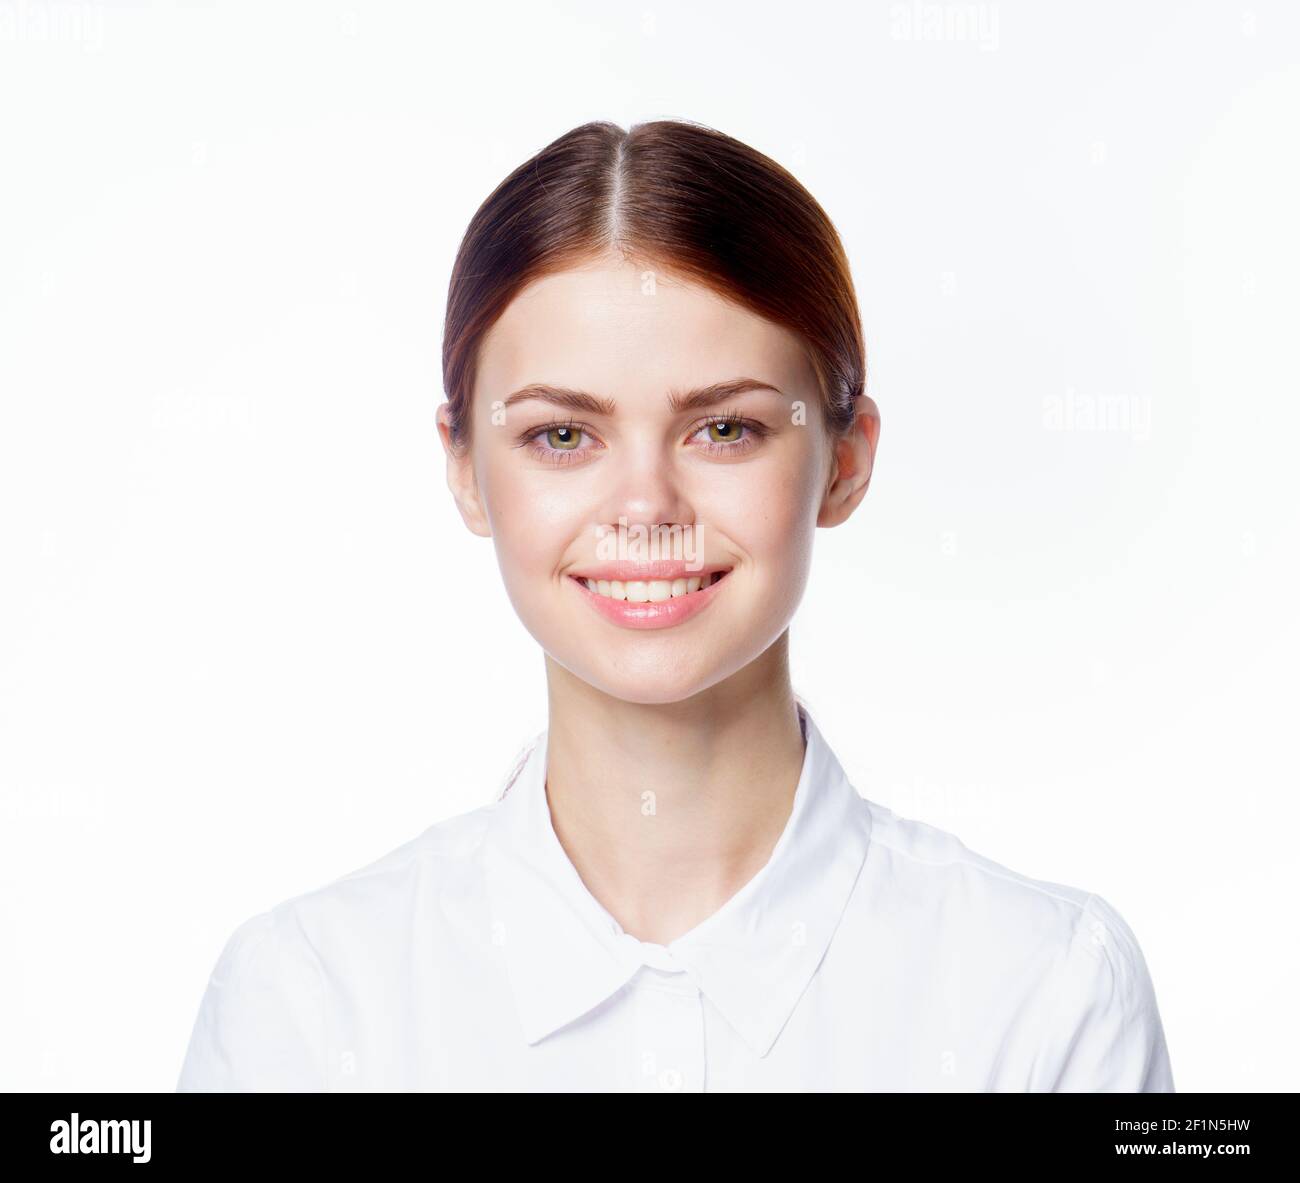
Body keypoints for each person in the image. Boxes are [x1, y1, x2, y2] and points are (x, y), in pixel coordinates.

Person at [176, 118, 1174, 1092]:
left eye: (724, 429)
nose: (646, 506)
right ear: (466, 470)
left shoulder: (1045, 994)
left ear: (847, 460)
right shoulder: (307, 1006)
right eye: (563, 436)